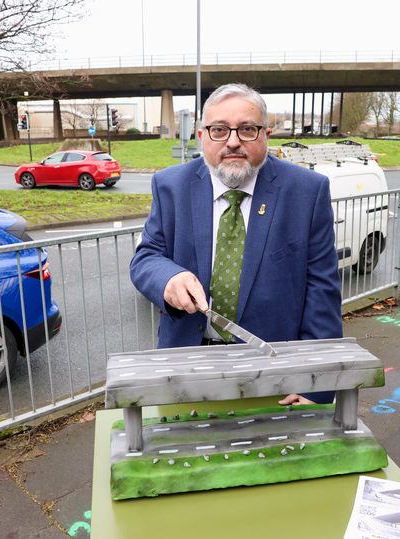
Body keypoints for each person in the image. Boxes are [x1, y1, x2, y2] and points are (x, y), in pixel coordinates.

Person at [129, 83, 342, 404]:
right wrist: (168, 278)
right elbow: (146, 257)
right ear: (201, 136)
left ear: (266, 135)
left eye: (247, 129)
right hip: (186, 367)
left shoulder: (307, 191)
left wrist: (316, 384)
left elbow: (321, 292)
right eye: (219, 130)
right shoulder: (171, 185)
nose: (232, 142)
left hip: (275, 375)